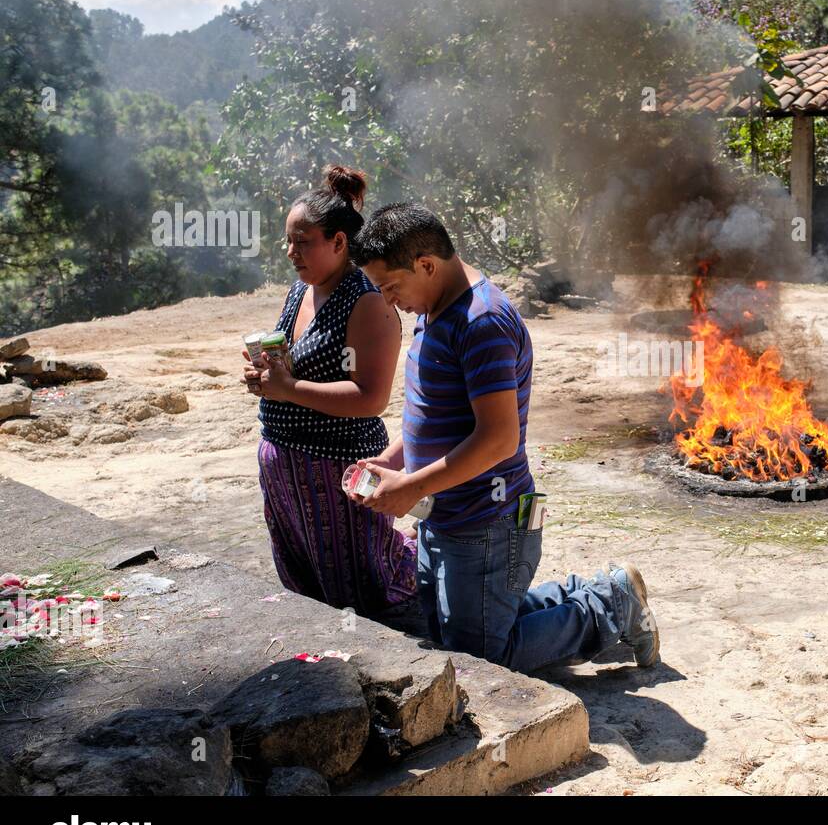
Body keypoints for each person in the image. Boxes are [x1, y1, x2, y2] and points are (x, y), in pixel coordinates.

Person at [345, 202, 659, 673]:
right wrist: (391, 462)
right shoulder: (434, 307)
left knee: (485, 656)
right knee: (456, 631)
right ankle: (604, 590)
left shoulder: (481, 323)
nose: (388, 300)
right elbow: (436, 412)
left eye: (390, 287)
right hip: (446, 514)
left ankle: (612, 608)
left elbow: (498, 439)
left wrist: (412, 486)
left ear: (427, 265)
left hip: (488, 521)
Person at [243, 166, 417, 615]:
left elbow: (370, 397)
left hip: (335, 469)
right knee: (308, 588)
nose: (290, 252)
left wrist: (288, 388)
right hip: (285, 465)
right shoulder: (300, 291)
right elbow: (295, 374)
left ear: (339, 242)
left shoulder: (367, 302)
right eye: (288, 241)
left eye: (302, 242)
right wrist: (267, 378)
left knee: (364, 589)